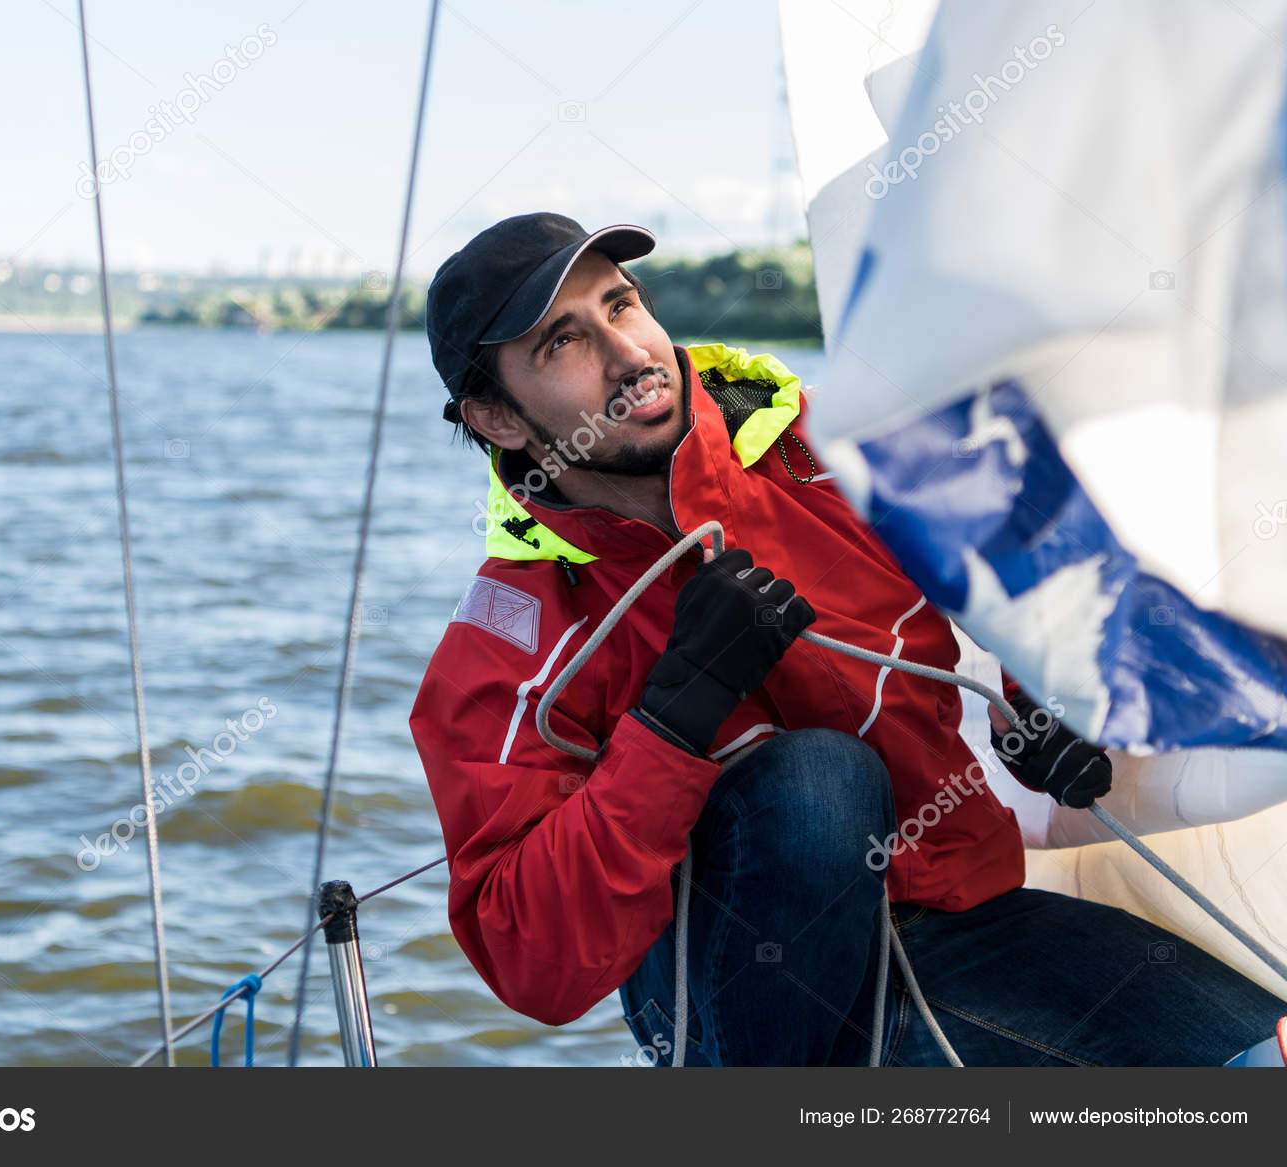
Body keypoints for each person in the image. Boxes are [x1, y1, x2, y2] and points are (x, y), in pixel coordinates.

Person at [409, 212, 1287, 1065]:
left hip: (957, 919)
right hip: (740, 1001)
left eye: (621, 303)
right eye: (561, 343)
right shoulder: (515, 635)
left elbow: (1030, 572)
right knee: (821, 777)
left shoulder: (835, 452)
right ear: (498, 419)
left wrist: (1043, 703)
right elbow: (529, 957)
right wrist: (673, 722)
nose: (629, 354)